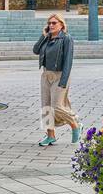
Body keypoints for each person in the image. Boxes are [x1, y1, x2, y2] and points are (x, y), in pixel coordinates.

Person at [32, 13, 80, 146]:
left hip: (60, 75)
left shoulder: (66, 39)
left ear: (61, 25)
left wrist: (64, 81)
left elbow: (68, 61)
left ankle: (75, 123)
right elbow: (35, 50)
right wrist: (44, 35)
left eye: (54, 23)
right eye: (49, 23)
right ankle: (50, 135)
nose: (51, 25)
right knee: (46, 107)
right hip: (46, 75)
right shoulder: (46, 38)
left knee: (57, 106)